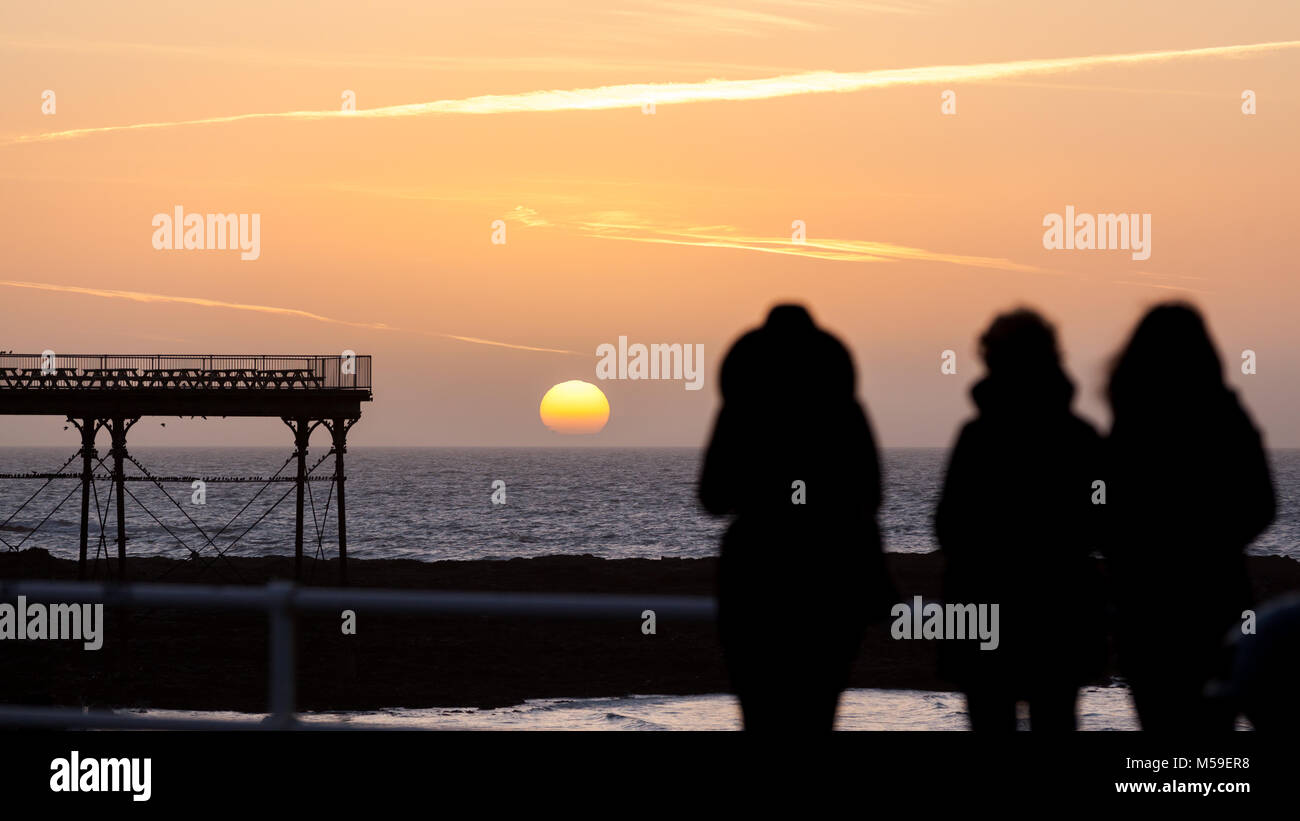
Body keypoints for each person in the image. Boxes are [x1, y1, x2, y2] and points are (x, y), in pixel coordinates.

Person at [699, 304, 894, 731]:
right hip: (833, 576)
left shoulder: (739, 412)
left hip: (755, 578)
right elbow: (872, 497)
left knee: (759, 711)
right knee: (819, 710)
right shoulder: (845, 413)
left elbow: (711, 498)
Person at [1105, 303, 1274, 731]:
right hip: (1217, 601)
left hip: (1146, 609)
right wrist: (1216, 543)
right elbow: (1262, 503)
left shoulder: (1131, 423)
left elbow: (1102, 513)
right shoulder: (1227, 418)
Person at [935, 308, 1105, 731]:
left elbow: (948, 525)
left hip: (984, 608)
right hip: (1059, 613)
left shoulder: (976, 438)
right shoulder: (1079, 438)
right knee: (1057, 717)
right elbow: (1103, 525)